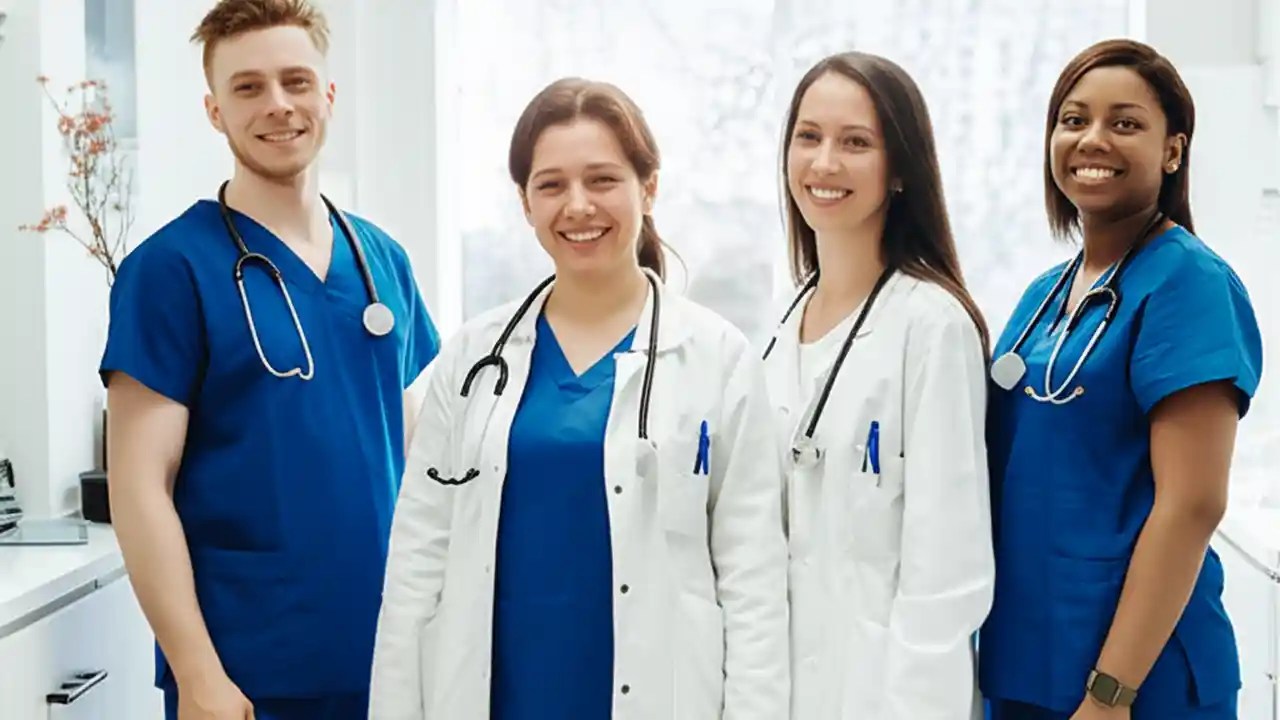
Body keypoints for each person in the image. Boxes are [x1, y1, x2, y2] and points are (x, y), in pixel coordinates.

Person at [367, 77, 790, 719]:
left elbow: (752, 581)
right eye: (551, 185)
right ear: (525, 202)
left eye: (602, 180)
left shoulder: (717, 357)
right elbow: (416, 570)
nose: (578, 206)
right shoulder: (472, 359)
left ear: (648, 188)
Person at [100, 1, 441, 718]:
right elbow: (138, 487)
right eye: (248, 87)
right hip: (249, 670)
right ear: (214, 110)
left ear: (329, 95)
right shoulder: (170, 270)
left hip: (391, 655)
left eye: (296, 81)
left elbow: (408, 449)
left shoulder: (381, 259)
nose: (278, 105)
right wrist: (197, 673)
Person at [979, 39, 1264, 720]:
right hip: (1029, 664)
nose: (1093, 140)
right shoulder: (1043, 296)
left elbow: (1192, 505)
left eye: (1125, 123)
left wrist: (1111, 693)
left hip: (1137, 681)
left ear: (1173, 151)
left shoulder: (1189, 284)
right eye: (1073, 120)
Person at [761, 50, 995, 719]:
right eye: (809, 136)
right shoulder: (782, 323)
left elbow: (946, 570)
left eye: (855, 143)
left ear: (899, 170)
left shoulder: (932, 325)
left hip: (887, 697)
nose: (824, 163)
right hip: (782, 691)